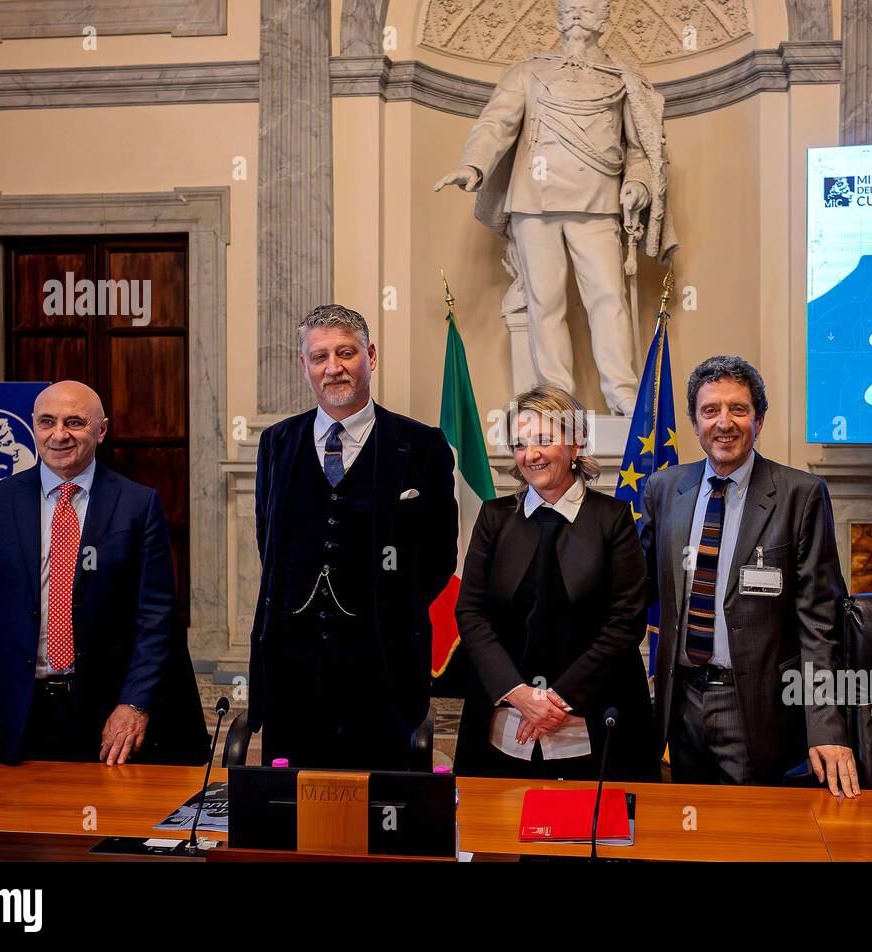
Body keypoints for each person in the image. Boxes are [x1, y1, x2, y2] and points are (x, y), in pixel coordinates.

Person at [0, 380, 208, 770]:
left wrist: (134, 704)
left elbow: (156, 620)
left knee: (111, 826)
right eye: (47, 421)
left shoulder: (138, 504)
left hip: (107, 717)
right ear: (32, 426)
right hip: (11, 715)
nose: (59, 434)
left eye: (75, 422)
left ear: (101, 431)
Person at [433, 0, 678, 416]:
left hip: (599, 201)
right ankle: (556, 398)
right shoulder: (528, 72)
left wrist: (637, 183)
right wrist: (472, 165)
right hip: (535, 200)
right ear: (559, 18)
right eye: (570, 8)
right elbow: (496, 124)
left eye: (587, 8)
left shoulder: (624, 80)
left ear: (605, 18)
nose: (577, 14)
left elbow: (639, 149)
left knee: (608, 299)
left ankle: (622, 392)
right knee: (545, 303)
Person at [248, 304, 458, 770]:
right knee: (293, 820)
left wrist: (389, 606)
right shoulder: (276, 443)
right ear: (303, 365)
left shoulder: (422, 445)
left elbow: (440, 555)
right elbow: (271, 544)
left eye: (346, 352)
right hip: (293, 672)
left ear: (371, 355)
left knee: (384, 817)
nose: (333, 367)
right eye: (319, 356)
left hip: (384, 669)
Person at [639, 356, 860, 795]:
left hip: (755, 707)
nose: (724, 423)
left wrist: (826, 727)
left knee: (750, 839)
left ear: (759, 420)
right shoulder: (664, 490)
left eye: (738, 410)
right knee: (690, 833)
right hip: (680, 701)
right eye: (710, 411)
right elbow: (632, 595)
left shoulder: (800, 495)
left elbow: (820, 623)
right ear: (694, 421)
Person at [454, 385, 657, 781]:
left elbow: (626, 621)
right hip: (503, 719)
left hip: (594, 719)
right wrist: (518, 693)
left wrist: (557, 700)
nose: (531, 454)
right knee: (498, 833)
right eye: (520, 443)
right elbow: (471, 612)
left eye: (545, 439)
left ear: (576, 443)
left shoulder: (613, 519)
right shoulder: (495, 518)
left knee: (590, 836)